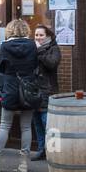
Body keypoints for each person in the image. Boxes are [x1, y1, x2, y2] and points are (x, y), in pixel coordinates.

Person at [0, 19, 38, 172]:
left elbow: (1, 68)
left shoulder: (5, 46)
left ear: (10, 30)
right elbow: (35, 65)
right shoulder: (32, 45)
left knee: (4, 125)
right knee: (26, 127)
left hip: (10, 88)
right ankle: (24, 163)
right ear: (26, 30)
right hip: (28, 89)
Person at [31, 24, 61, 161]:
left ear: (48, 36)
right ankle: (41, 149)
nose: (38, 37)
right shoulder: (33, 49)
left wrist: (40, 51)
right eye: (36, 35)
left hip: (47, 90)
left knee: (47, 122)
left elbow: (52, 63)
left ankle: (53, 150)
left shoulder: (54, 49)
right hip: (34, 90)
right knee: (36, 121)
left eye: (41, 35)